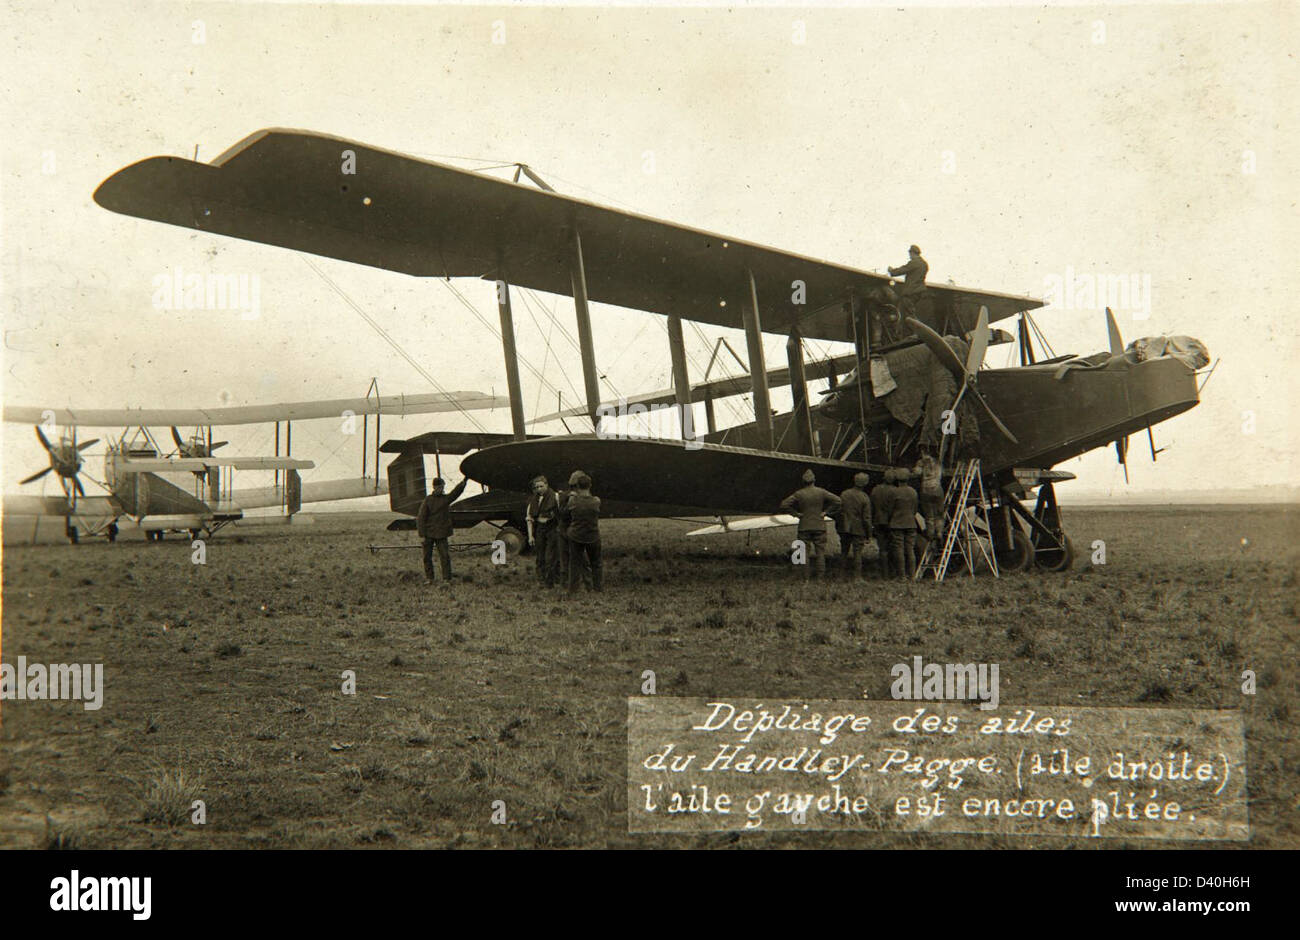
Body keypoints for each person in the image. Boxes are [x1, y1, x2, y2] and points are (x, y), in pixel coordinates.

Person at [780, 469, 842, 580]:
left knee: (803, 553)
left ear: (803, 482)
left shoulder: (799, 494)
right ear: (814, 480)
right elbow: (838, 501)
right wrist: (826, 512)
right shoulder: (822, 492)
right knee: (820, 553)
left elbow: (784, 504)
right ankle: (820, 579)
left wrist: (796, 514)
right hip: (819, 526)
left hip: (804, 526)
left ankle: (806, 579)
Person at [417, 475, 468, 584]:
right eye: (440, 487)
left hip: (441, 534)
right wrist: (422, 533)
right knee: (427, 557)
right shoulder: (428, 500)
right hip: (429, 534)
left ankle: (446, 579)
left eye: (443, 487)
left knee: (445, 556)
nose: (442, 489)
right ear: (435, 487)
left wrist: (463, 482)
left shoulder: (445, 499)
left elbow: (455, 493)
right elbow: (421, 517)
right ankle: (430, 579)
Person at [561, 471, 602, 593]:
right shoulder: (596, 501)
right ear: (590, 486)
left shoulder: (572, 501)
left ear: (577, 486)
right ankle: (598, 588)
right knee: (596, 563)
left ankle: (573, 589)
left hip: (576, 536)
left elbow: (564, 514)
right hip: (593, 535)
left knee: (574, 564)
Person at [526, 474, 561, 587]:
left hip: (553, 528)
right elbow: (529, 519)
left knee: (551, 555)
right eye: (536, 487)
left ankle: (552, 579)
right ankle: (541, 579)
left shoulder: (556, 497)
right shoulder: (533, 500)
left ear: (546, 485)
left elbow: (561, 513)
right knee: (540, 555)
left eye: (541, 486)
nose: (539, 489)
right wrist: (531, 536)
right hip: (540, 529)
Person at [838, 472, 874, 580]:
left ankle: (841, 576)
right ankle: (857, 577)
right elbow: (867, 518)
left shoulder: (844, 494)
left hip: (845, 527)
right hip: (858, 528)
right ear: (865, 483)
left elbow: (839, 511)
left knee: (844, 552)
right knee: (857, 553)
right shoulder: (865, 497)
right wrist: (869, 534)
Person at [889, 467, 920, 579]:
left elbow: (890, 508)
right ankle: (912, 576)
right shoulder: (913, 492)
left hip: (897, 523)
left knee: (899, 550)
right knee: (910, 549)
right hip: (911, 523)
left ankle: (902, 576)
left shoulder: (894, 492)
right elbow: (915, 508)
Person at [913, 450, 945, 543]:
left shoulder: (922, 462)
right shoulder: (938, 462)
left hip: (926, 489)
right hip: (938, 488)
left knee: (929, 515)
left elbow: (916, 473)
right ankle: (939, 532)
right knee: (939, 514)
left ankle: (931, 535)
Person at [870, 469, 898, 578]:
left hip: (878, 521)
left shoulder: (875, 490)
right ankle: (893, 572)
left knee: (882, 549)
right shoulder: (896, 491)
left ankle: (884, 574)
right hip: (892, 522)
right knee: (894, 548)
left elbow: (872, 506)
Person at [888, 245, 929, 317]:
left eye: (910, 254)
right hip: (919, 292)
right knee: (910, 311)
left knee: (908, 314)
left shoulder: (914, 262)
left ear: (912, 253)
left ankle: (912, 326)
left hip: (910, 292)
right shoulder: (924, 264)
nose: (910, 256)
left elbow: (902, 270)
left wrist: (891, 271)